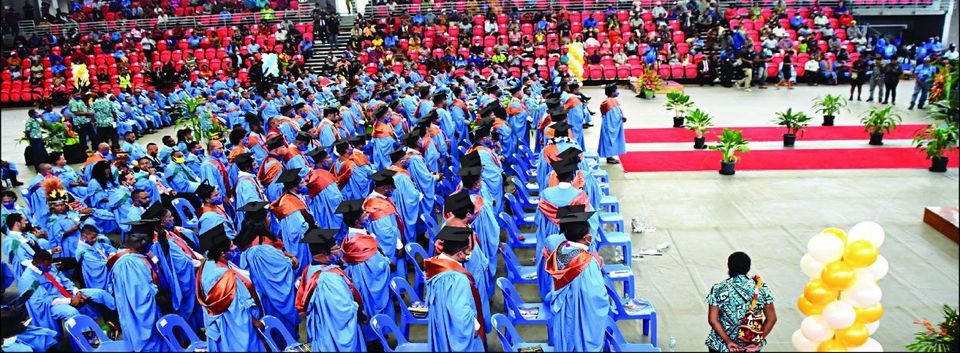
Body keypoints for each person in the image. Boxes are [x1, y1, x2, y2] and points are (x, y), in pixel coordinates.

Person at [544, 208, 610, 351]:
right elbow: (597, 296)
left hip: (563, 312)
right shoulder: (586, 263)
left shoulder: (559, 250)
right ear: (587, 238)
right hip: (579, 313)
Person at [235, 201, 300, 341]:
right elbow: (278, 271)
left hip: (259, 292)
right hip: (270, 296)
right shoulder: (261, 249)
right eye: (268, 217)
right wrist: (291, 261)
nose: (270, 219)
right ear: (261, 222)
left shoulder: (247, 240)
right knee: (281, 330)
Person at [295, 228, 367, 351]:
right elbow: (343, 309)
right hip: (333, 326)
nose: (340, 250)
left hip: (321, 323)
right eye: (336, 248)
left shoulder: (309, 269)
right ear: (325, 253)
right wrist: (360, 315)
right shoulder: (329, 279)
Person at [196, 224, 266, 352]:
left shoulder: (207, 264)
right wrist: (254, 321)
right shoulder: (222, 276)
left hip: (220, 321)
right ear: (223, 253)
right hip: (232, 324)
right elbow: (237, 308)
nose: (234, 248)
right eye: (231, 246)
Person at [109, 226, 171, 351]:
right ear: (142, 241)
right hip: (140, 315)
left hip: (152, 308)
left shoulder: (140, 256)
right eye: (150, 242)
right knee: (150, 343)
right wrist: (158, 294)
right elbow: (140, 296)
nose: (151, 245)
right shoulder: (128, 263)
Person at [425, 226, 486, 352]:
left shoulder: (435, 265)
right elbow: (460, 312)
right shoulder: (457, 279)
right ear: (460, 254)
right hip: (456, 330)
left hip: (442, 323)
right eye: (468, 250)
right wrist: (474, 327)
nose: (470, 253)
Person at [706, 252, 777, 352]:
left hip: (721, 346)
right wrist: (756, 342)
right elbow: (772, 318)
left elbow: (713, 320)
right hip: (750, 347)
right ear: (748, 267)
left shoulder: (719, 288)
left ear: (729, 266)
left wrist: (728, 341)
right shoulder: (761, 288)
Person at [270, 168, 313, 275]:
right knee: (302, 268)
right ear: (294, 187)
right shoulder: (288, 203)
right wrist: (310, 225)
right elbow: (298, 228)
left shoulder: (293, 196)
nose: (305, 184)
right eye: (302, 182)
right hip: (297, 243)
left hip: (302, 239)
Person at [75, 224, 117, 291]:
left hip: (106, 264)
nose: (95, 240)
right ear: (84, 236)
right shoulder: (82, 251)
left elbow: (109, 248)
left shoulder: (92, 242)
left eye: (95, 237)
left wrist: (111, 254)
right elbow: (99, 265)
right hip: (96, 276)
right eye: (92, 237)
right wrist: (110, 260)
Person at [598, 83, 626, 164]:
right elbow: (613, 116)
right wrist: (620, 118)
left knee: (609, 140)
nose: (617, 92)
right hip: (609, 125)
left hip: (609, 124)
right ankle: (609, 157)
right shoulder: (609, 102)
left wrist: (622, 116)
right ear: (612, 92)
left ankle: (610, 157)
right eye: (616, 90)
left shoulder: (612, 101)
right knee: (609, 140)